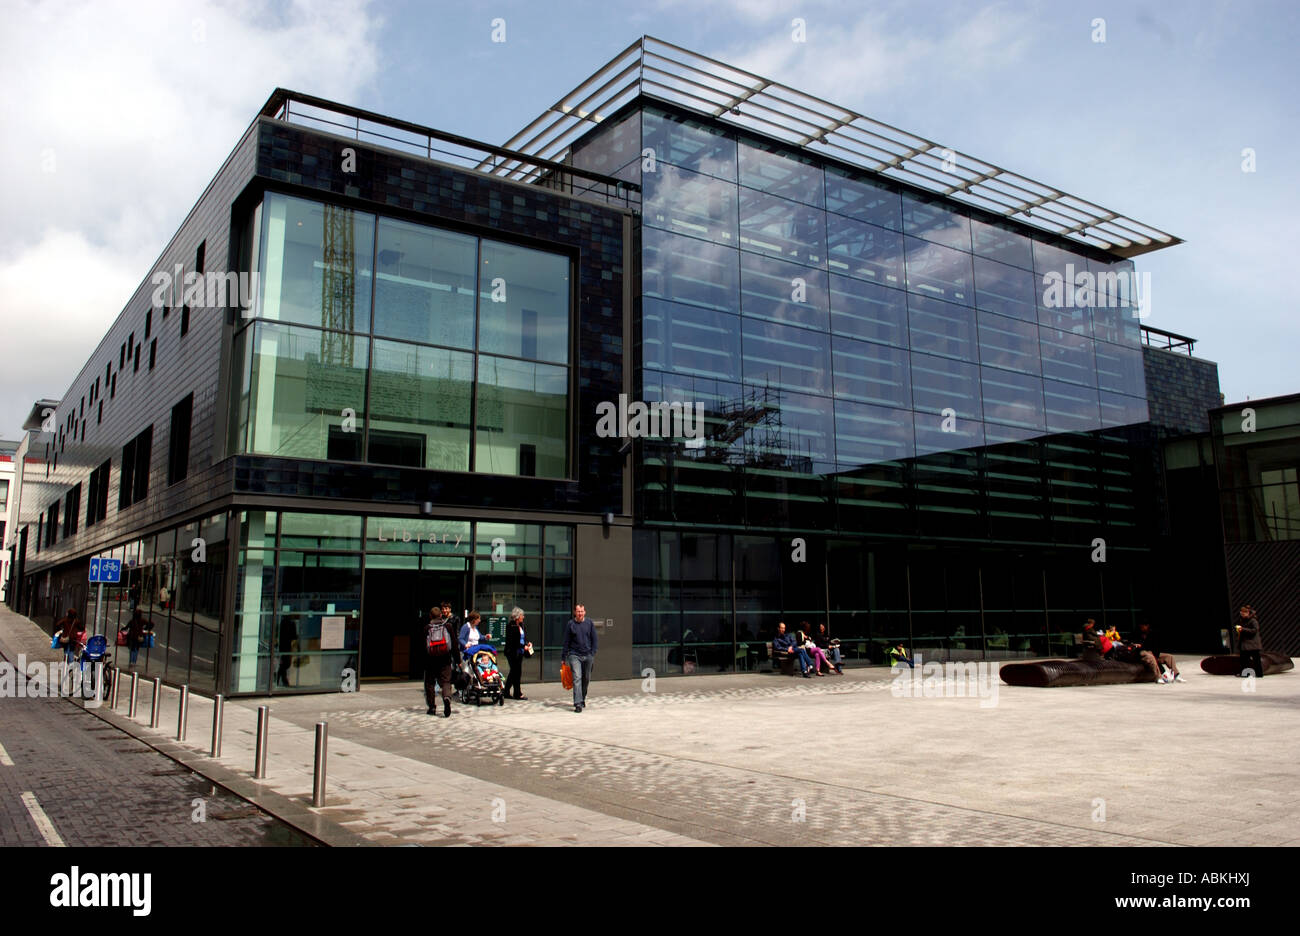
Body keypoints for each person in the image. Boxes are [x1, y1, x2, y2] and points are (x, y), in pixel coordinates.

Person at [425, 605, 461, 717]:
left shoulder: (427, 628)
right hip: (445, 658)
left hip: (431, 659)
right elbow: (454, 644)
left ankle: (432, 707)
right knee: (446, 681)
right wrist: (457, 659)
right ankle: (446, 697)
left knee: (430, 683)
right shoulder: (448, 626)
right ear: (441, 615)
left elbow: (421, 646)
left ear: (430, 616)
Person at [561, 603, 597, 712]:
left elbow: (594, 639)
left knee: (586, 679)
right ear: (575, 612)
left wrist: (592, 652)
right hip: (574, 655)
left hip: (588, 655)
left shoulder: (589, 623)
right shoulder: (570, 624)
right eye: (578, 611)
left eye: (581, 611)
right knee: (577, 678)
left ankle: (582, 698)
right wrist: (564, 656)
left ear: (584, 612)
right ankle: (578, 703)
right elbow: (566, 641)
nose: (580, 613)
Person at [504, 607, 530, 700]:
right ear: (517, 616)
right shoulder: (511, 626)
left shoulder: (522, 625)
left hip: (520, 652)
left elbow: (524, 637)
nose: (523, 617)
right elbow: (513, 641)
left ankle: (506, 691)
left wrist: (527, 643)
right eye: (522, 615)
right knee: (516, 672)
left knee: (515, 672)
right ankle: (517, 693)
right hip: (512, 652)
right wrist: (523, 646)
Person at [1235, 605, 1263, 679]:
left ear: (1248, 613)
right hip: (1245, 644)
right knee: (1244, 660)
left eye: (1244, 613)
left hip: (1253, 644)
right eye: (1241, 613)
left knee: (1256, 660)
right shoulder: (1242, 620)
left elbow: (1255, 630)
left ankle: (1259, 674)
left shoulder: (1253, 620)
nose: (1242, 615)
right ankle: (1245, 674)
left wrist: (1243, 629)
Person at [276, 615, 298, 687]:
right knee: (286, 663)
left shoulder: (281, 623)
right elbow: (294, 636)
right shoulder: (292, 623)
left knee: (284, 663)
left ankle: (282, 679)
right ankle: (281, 678)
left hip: (282, 645)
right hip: (287, 646)